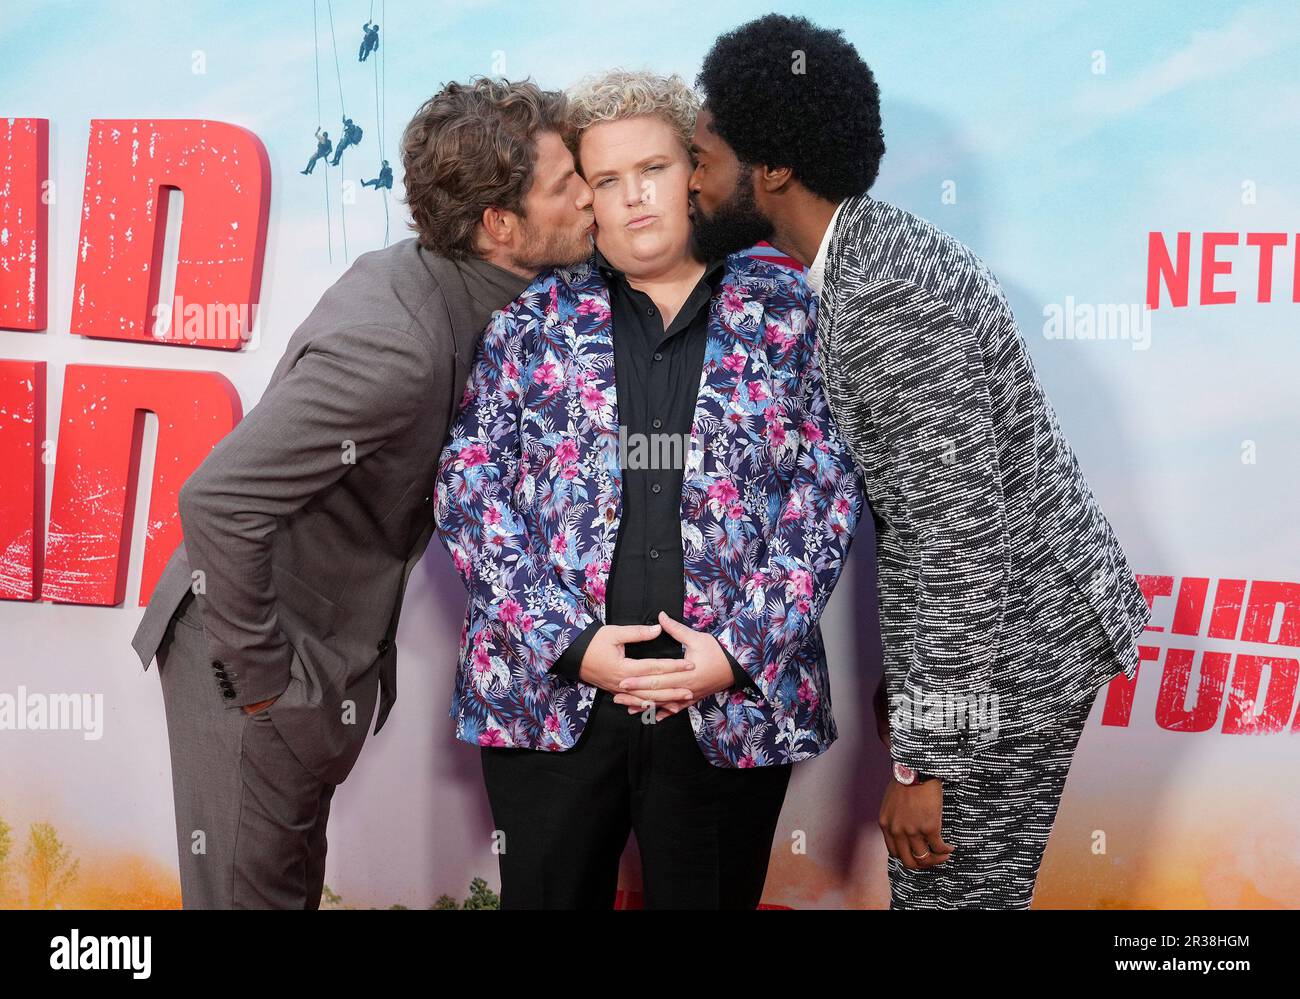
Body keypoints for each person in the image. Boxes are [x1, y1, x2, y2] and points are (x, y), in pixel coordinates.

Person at [689, 14, 1152, 910]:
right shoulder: (864, 253)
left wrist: (929, 760)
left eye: (704, 156)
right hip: (998, 637)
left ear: (774, 168)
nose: (694, 181)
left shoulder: (883, 296)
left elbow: (957, 539)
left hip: (1022, 647)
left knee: (953, 898)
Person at [130, 77, 596, 909]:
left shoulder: (454, 282)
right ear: (500, 224)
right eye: (568, 185)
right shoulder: (401, 345)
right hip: (246, 656)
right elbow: (217, 500)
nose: (592, 199)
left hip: (309, 659)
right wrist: (272, 690)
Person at [434, 69, 865, 909]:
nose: (633, 198)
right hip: (551, 705)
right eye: (605, 179)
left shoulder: (792, 311)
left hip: (725, 709)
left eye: (654, 169)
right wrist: (569, 642)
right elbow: (467, 488)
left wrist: (736, 651)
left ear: (694, 171)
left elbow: (828, 490)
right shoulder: (529, 322)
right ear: (585, 195)